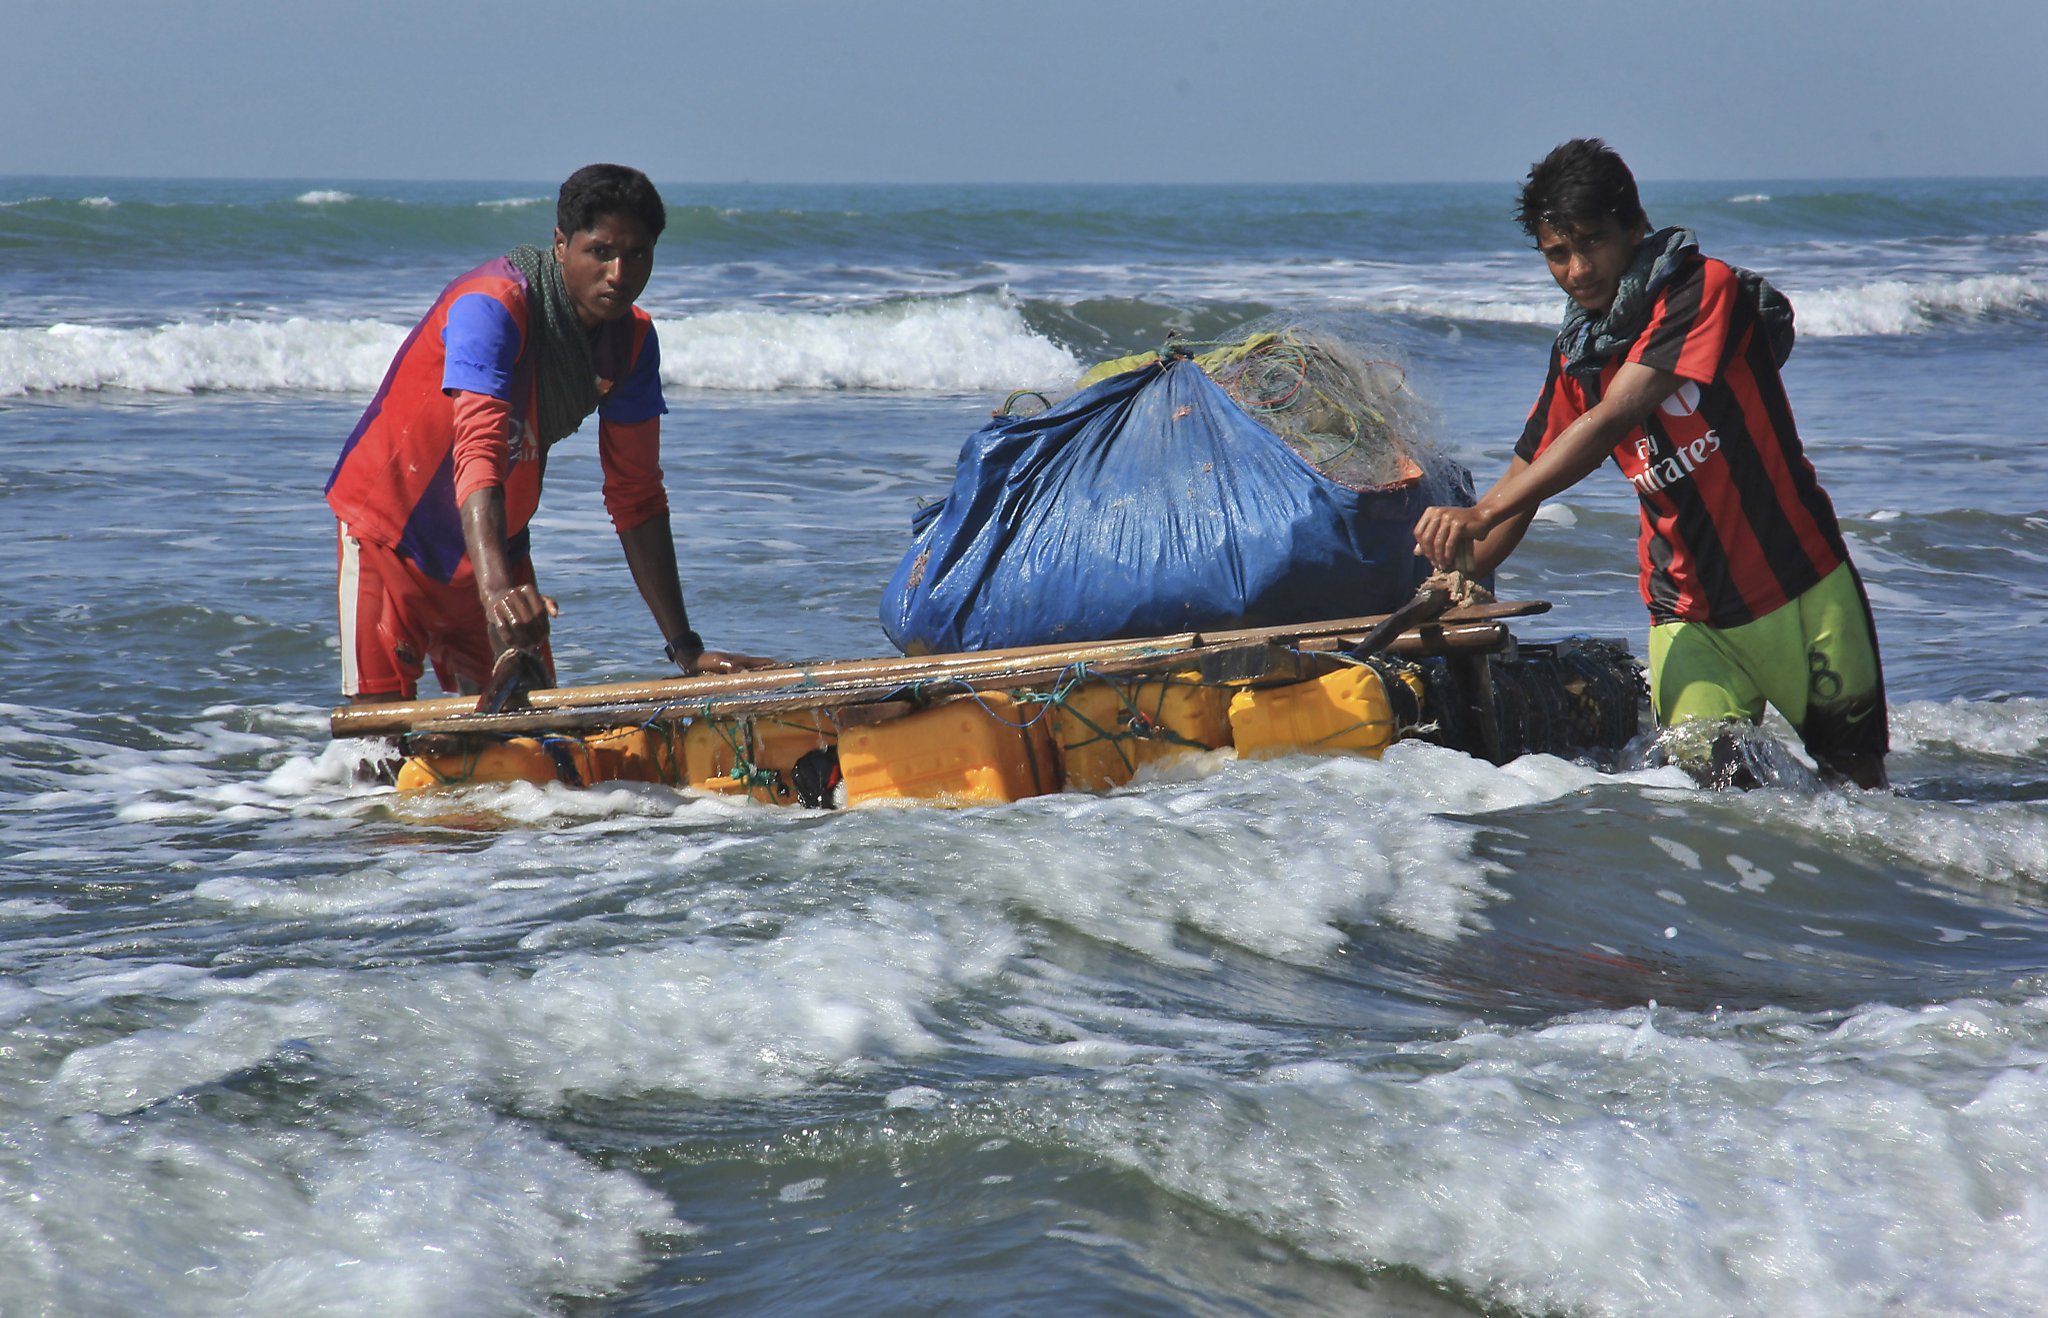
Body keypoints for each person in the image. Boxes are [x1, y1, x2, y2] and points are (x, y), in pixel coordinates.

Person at [1413, 138, 1887, 788]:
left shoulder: (1701, 291)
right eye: (1558, 253)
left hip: (1801, 591)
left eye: (1593, 241)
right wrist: (1454, 572)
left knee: (1859, 796)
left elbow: (1613, 416)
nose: (1578, 269)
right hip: (1687, 620)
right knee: (1713, 808)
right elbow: (1522, 483)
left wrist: (1478, 512)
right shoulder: (1576, 356)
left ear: (1635, 227)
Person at [325, 163, 771, 705]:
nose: (618, 273)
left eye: (637, 254)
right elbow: (480, 451)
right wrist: (498, 596)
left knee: (528, 748)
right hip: (392, 536)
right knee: (380, 744)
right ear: (561, 244)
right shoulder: (491, 307)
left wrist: (684, 649)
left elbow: (637, 495)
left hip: (496, 550)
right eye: (600, 251)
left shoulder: (630, 343)